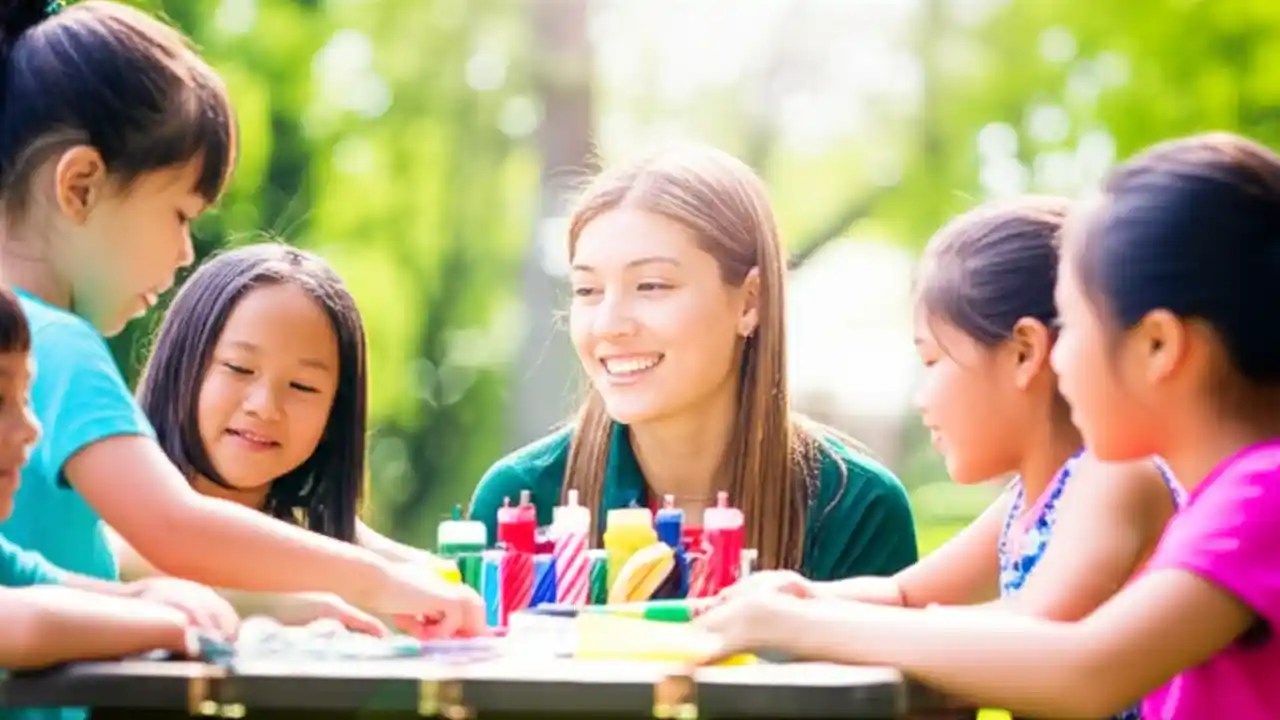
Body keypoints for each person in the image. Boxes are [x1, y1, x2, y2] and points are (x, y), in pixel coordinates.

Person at [695, 132, 1280, 720]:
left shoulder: (1260, 495)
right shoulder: (1232, 497)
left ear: (1157, 345)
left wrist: (805, 626)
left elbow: (1082, 669)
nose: (1059, 357)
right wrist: (800, 605)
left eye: (1073, 328)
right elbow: (920, 595)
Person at [0, 0, 482, 640]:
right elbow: (177, 528)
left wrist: (283, 604)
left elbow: (64, 566)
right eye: (180, 215)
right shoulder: (55, 343)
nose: (183, 253)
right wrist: (376, 580)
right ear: (81, 185)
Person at [471, 144, 917, 579]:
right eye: (587, 290)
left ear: (749, 301)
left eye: (651, 286)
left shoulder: (854, 509)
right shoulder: (521, 501)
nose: (609, 324)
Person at [116, 244, 449, 625]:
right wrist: (289, 605)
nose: (265, 406)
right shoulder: (116, 504)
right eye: (239, 368)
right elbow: (140, 551)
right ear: (180, 367)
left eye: (303, 386)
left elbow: (410, 569)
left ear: (333, 417)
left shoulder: (314, 536)